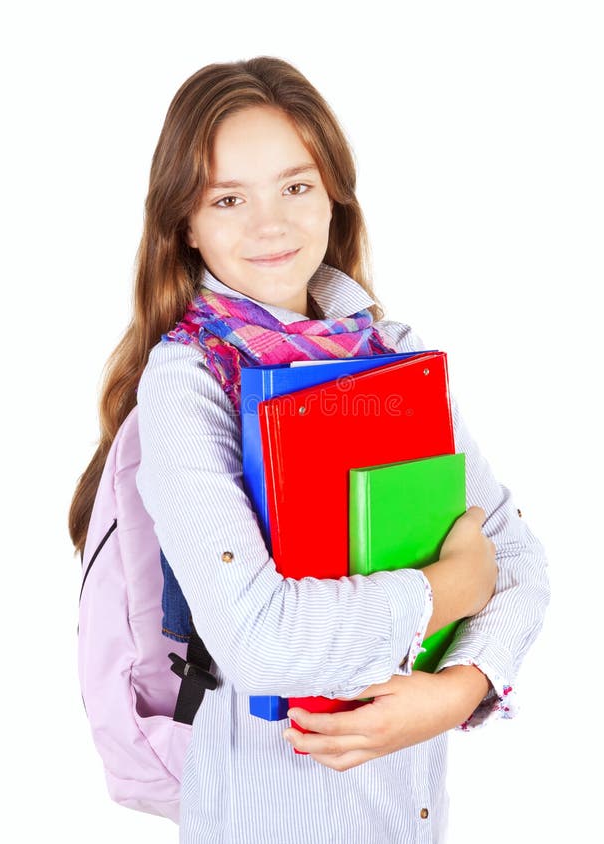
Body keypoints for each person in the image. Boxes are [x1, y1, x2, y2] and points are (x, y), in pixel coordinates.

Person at [69, 56, 550, 843]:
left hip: (405, 814)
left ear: (333, 198)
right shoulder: (187, 387)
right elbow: (265, 643)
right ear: (184, 224)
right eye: (228, 199)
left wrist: (461, 687)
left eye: (295, 186)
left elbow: (522, 561)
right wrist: (452, 587)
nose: (271, 225)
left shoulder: (390, 353)